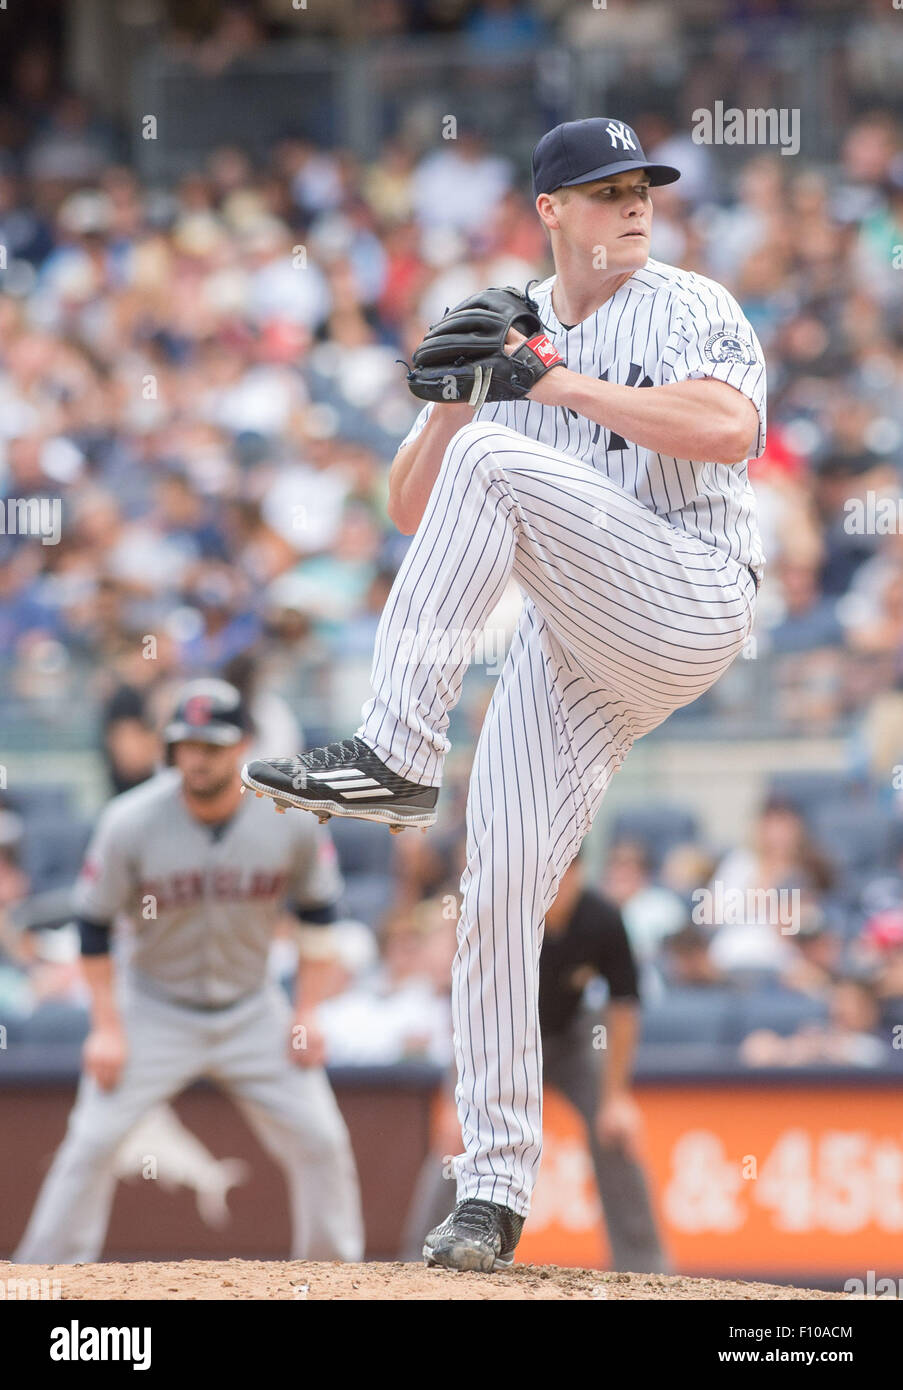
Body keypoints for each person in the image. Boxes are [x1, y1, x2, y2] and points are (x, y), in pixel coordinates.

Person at [244, 116, 765, 1271]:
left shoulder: (688, 304)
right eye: (604, 188)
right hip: (578, 640)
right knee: (496, 891)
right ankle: (490, 1193)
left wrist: (554, 384)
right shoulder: (516, 318)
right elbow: (408, 511)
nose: (633, 203)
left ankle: (393, 749)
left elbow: (729, 431)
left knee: (498, 459)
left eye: (643, 185)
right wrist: (446, 404)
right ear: (550, 211)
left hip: (691, 590)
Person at [14, 678, 363, 1265]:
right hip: (153, 1007)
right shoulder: (130, 821)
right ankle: (43, 1278)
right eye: (185, 744)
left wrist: (307, 1011)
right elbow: (93, 924)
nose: (196, 757)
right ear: (169, 748)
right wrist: (106, 1024)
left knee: (322, 1138)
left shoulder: (291, 817)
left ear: (244, 744)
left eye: (212, 744)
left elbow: (319, 914)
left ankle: (336, 1279)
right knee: (92, 1142)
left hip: (254, 1009)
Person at [400, 854, 669, 1271]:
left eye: (566, 874)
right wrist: (458, 1100)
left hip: (574, 1040)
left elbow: (623, 1008)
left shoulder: (603, 920)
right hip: (506, 1040)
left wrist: (617, 1097)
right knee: (461, 1140)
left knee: (616, 1132)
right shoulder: (505, 913)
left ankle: (647, 1269)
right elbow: (472, 1009)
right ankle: (415, 1259)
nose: (556, 887)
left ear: (580, 872)